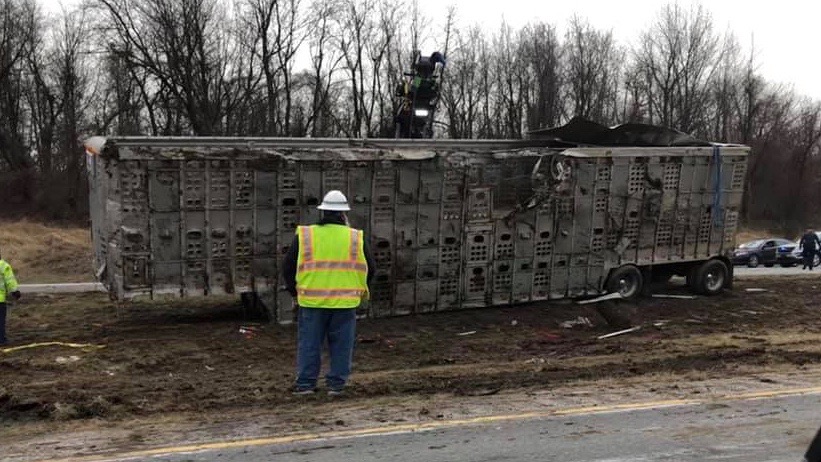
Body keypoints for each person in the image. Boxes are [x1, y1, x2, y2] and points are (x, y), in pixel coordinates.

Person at [282, 190, 374, 396]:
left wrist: (294, 292)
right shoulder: (355, 237)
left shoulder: (306, 235)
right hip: (345, 303)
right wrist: (358, 290)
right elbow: (371, 268)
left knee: (310, 344)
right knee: (341, 346)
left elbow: (288, 267)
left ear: (323, 212)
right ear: (343, 214)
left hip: (312, 302)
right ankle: (336, 385)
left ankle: (306, 384)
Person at [0, 251, 21, 345]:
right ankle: (1, 339)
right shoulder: (3, 266)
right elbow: (9, 280)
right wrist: (15, 292)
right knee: (0, 321)